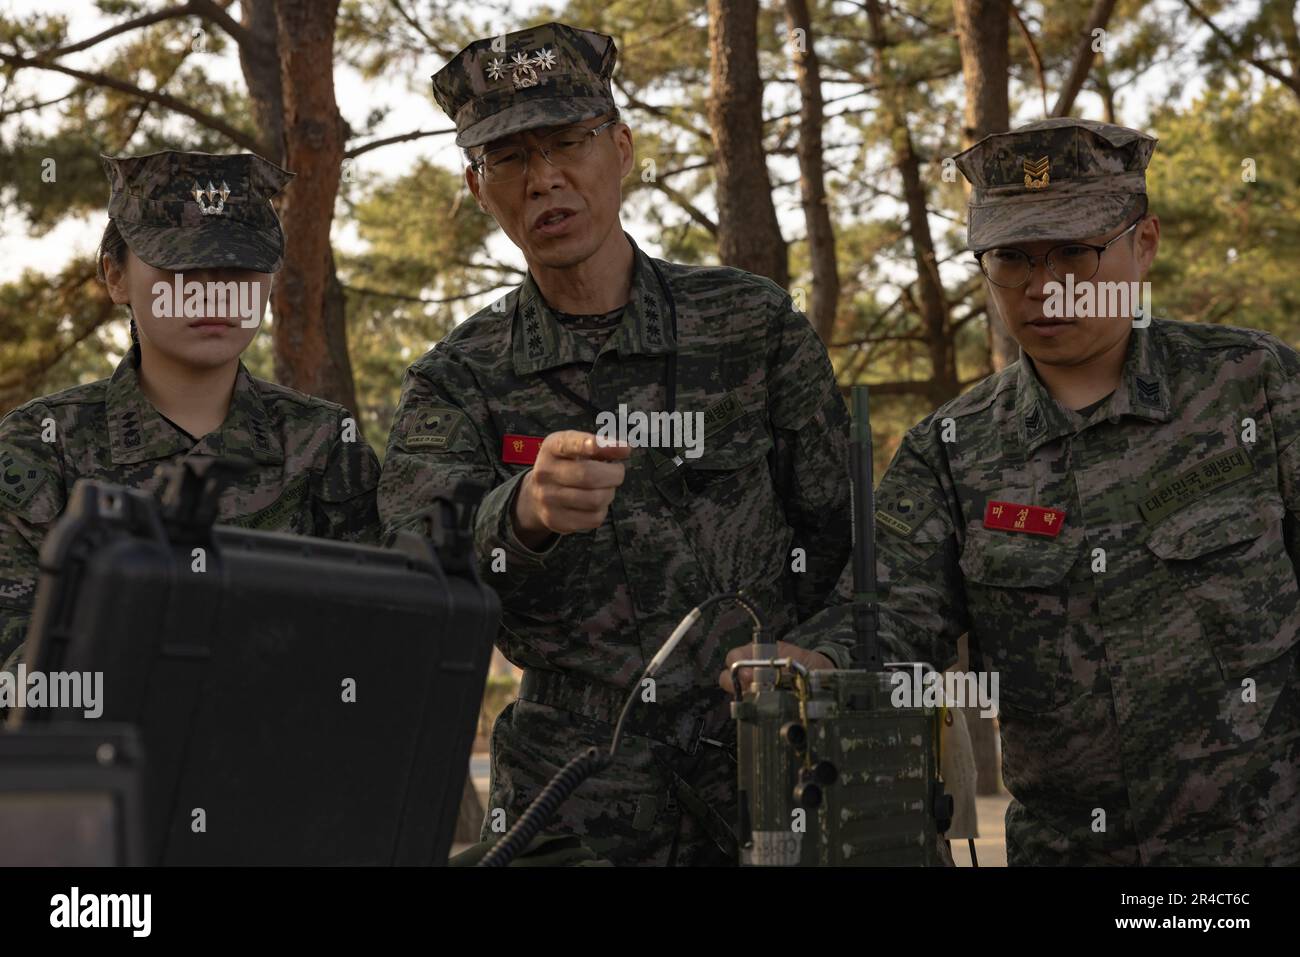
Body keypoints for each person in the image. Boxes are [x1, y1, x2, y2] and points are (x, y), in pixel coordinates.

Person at [765, 117, 1300, 865]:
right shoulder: (951, 452)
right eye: (1013, 258)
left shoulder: (1255, 389)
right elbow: (885, 616)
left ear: (1143, 244)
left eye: (1075, 253)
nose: (1043, 288)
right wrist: (811, 665)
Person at [380, 22, 852, 865]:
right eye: (510, 159)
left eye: (567, 143)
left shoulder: (751, 326)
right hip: (569, 798)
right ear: (476, 186)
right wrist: (517, 514)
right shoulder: (457, 378)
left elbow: (857, 548)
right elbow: (414, 568)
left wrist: (822, 652)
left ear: (622, 149)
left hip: (768, 773)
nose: (544, 179)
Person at [0, 149, 381, 671]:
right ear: (116, 277)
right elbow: (12, 665)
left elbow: (380, 638)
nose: (211, 292)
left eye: (239, 266)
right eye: (179, 264)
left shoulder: (323, 443)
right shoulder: (42, 446)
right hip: (104, 748)